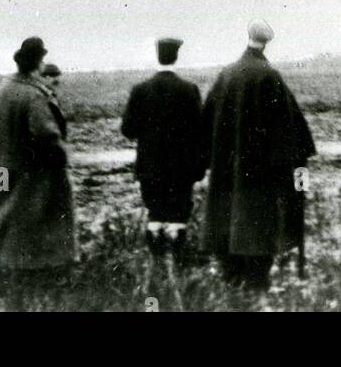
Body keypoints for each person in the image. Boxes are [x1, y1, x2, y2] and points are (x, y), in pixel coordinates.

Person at [201, 20, 316, 292]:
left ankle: (232, 282)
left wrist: (209, 159)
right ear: (267, 43)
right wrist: (296, 165)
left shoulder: (226, 75)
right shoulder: (269, 76)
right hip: (259, 174)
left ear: (248, 38)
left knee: (229, 221)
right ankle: (255, 286)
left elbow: (206, 123)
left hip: (227, 170)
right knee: (256, 226)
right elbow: (289, 128)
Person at [0, 37, 76, 273]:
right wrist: (62, 155)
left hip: (1, 168)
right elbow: (45, 134)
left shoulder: (4, 88)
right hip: (26, 172)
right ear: (39, 63)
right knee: (26, 215)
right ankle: (22, 266)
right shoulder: (34, 95)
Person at [121, 37, 205, 265]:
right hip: (181, 169)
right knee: (178, 215)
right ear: (176, 56)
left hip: (150, 168)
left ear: (157, 56)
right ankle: (178, 264)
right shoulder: (189, 90)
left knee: (155, 213)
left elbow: (127, 129)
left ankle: (156, 265)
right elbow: (200, 132)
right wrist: (199, 166)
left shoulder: (140, 90)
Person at [40, 64, 67, 138]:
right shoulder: (40, 96)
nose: (56, 79)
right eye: (52, 76)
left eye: (57, 76)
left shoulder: (52, 96)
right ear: (43, 78)